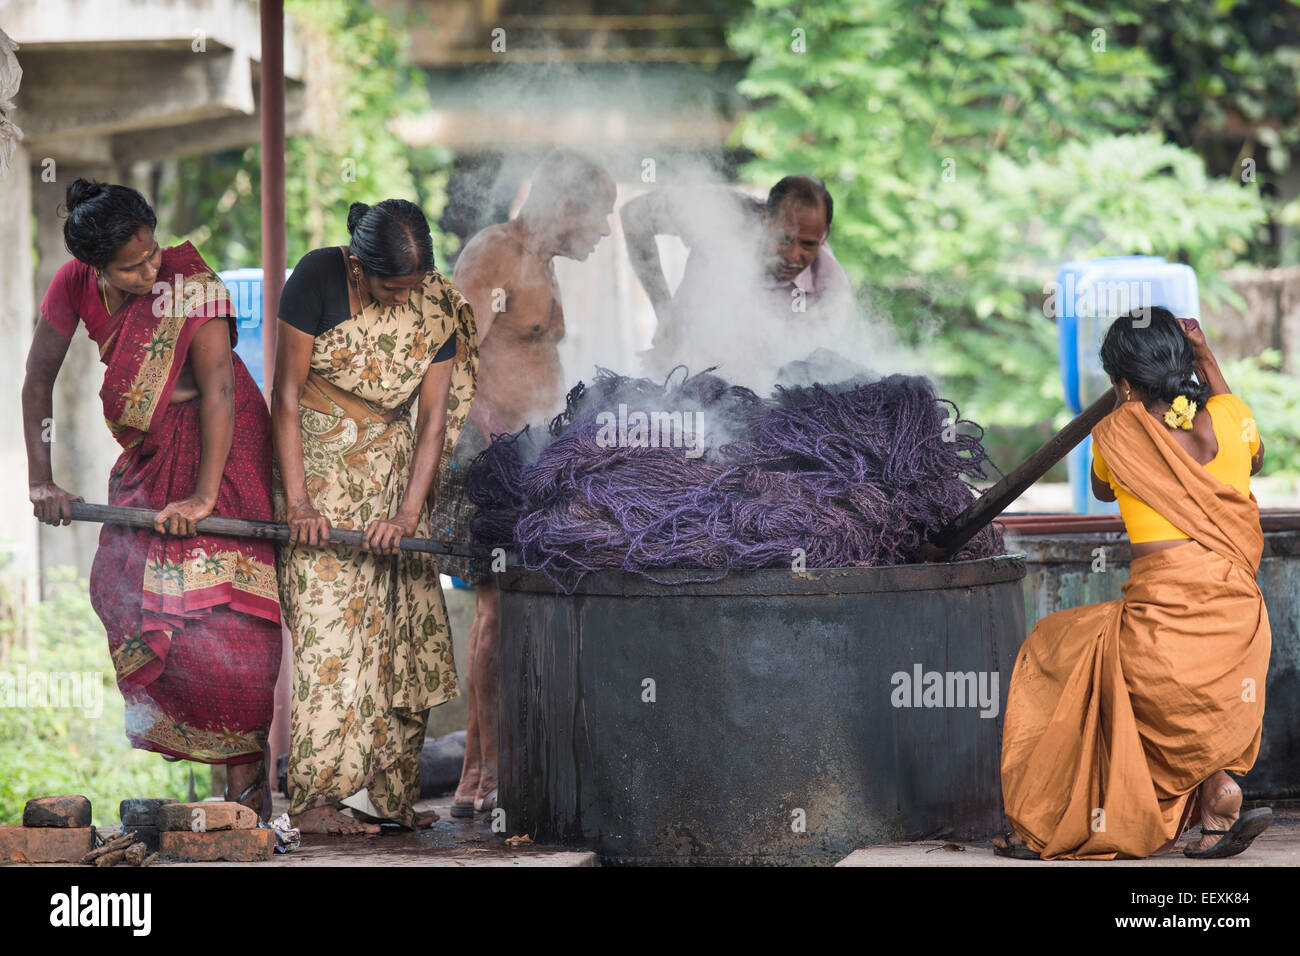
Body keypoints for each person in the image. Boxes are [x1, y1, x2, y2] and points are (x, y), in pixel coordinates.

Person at [23, 179, 282, 816]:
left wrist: (202, 498)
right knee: (124, 588)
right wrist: (41, 478)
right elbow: (37, 380)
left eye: (152, 253)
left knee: (234, 625)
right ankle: (211, 810)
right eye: (131, 267)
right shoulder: (72, 285)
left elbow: (220, 391)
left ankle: (250, 808)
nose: (149, 270)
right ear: (93, 267)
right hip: (151, 456)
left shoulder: (191, 283)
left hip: (227, 449)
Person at [996, 307, 1271, 860]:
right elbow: (1257, 456)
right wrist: (1208, 361)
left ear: (1122, 382)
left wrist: (1129, 407)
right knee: (1155, 690)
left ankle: (1054, 819)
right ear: (1187, 361)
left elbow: (1101, 490)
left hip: (1163, 637)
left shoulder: (1116, 433)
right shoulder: (1233, 415)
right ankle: (1217, 790)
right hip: (1240, 636)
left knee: (1057, 651)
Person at [272, 198, 476, 835]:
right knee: (330, 639)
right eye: (391, 287)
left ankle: (384, 798)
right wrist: (300, 502)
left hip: (393, 482)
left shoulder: (436, 302)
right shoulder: (315, 278)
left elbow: (433, 421)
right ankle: (312, 803)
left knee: (398, 636)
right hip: (316, 471)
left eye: (412, 287)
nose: (402, 300)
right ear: (358, 266)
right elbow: (284, 394)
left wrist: (410, 514)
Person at [431, 147, 615, 818]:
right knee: (496, 609)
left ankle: (502, 769)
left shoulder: (540, 261)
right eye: (600, 217)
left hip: (539, 452)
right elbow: (453, 358)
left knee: (526, 605)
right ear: (567, 208)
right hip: (495, 454)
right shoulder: (495, 253)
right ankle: (478, 775)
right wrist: (496, 441)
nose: (605, 232)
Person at [621, 174, 852, 382]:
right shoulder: (721, 213)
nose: (793, 255)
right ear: (765, 218)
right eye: (784, 238)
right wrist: (665, 312)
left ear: (824, 236)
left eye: (808, 244)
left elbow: (803, 375)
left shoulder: (830, 292)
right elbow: (634, 216)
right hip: (672, 376)